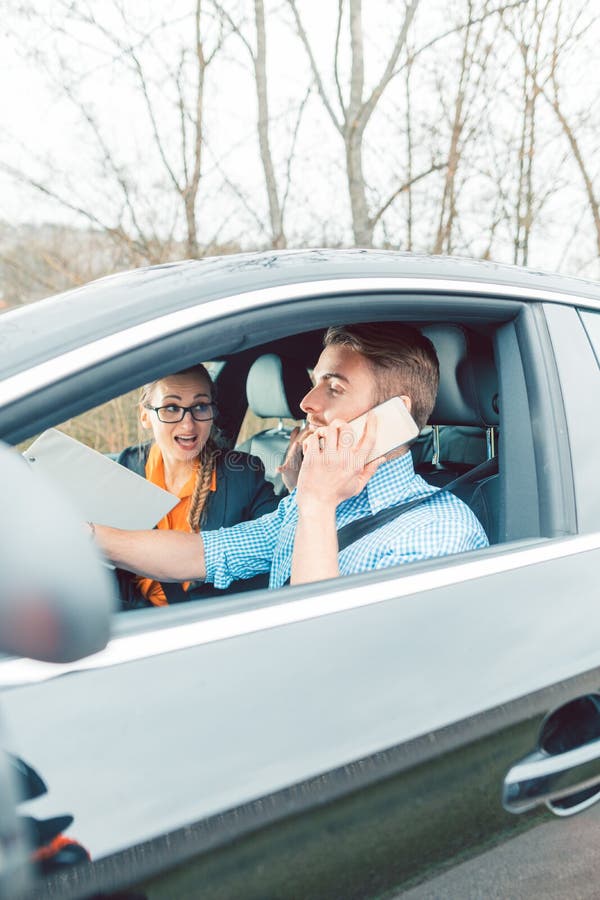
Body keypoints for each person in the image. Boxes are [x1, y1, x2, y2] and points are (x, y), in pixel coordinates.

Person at [92, 324, 489, 590]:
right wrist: (87, 536)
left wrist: (316, 503)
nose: (306, 402)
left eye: (333, 389)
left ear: (394, 416)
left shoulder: (438, 533)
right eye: (314, 383)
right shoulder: (308, 502)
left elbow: (318, 654)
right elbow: (206, 553)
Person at [115, 363, 278, 606]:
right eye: (171, 408)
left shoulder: (242, 476)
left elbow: (280, 546)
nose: (188, 425)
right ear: (144, 415)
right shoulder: (127, 468)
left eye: (200, 407)